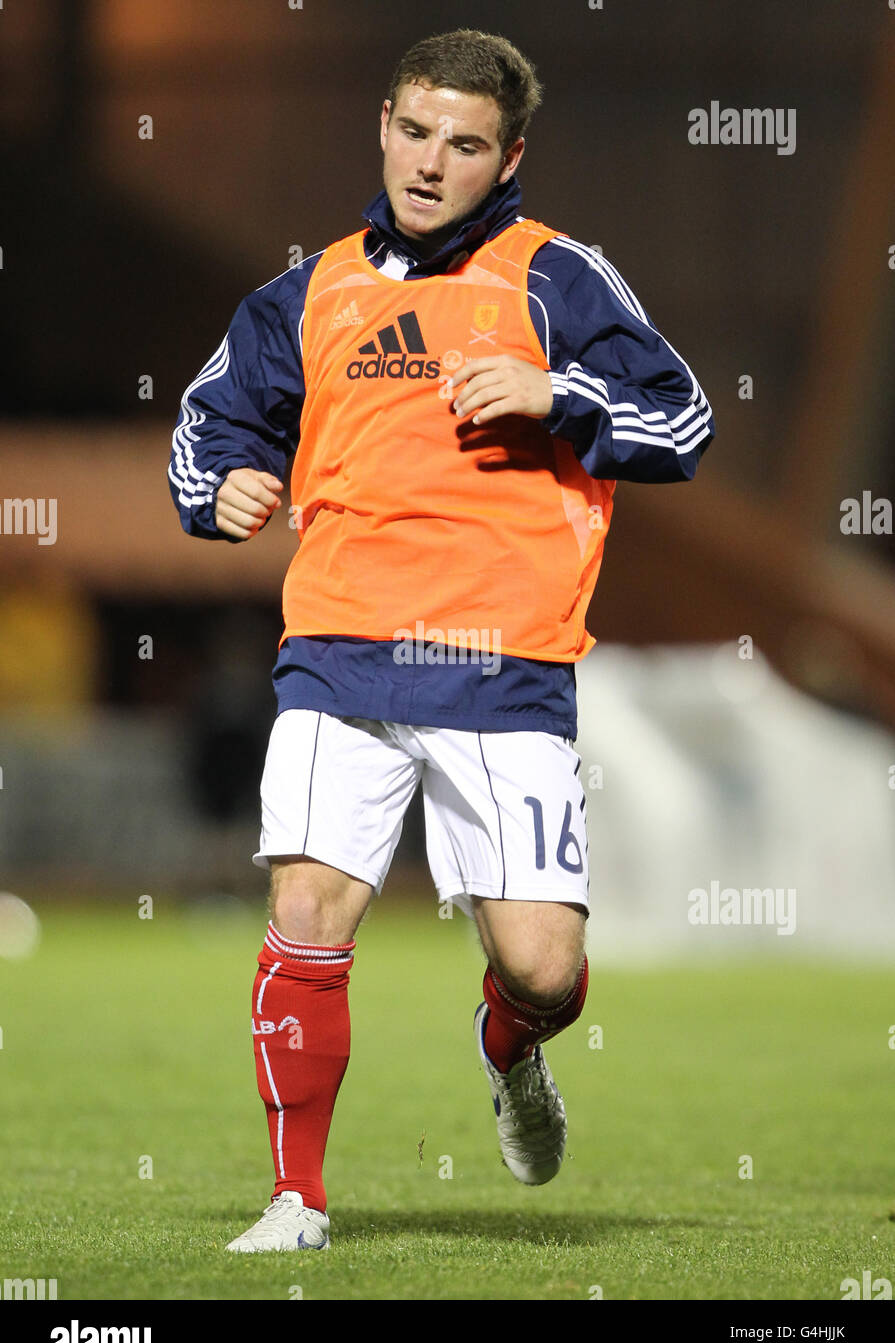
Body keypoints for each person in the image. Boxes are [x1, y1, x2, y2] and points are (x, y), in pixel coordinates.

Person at [168, 27, 714, 1253]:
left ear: (507, 156)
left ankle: (510, 1043)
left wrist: (557, 395)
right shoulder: (302, 293)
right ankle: (296, 1197)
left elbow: (683, 422)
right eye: (414, 132)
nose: (429, 163)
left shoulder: (557, 277)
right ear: (382, 124)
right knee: (308, 904)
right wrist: (224, 492)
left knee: (543, 966)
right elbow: (210, 426)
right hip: (341, 648)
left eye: (462, 144)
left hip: (508, 666)